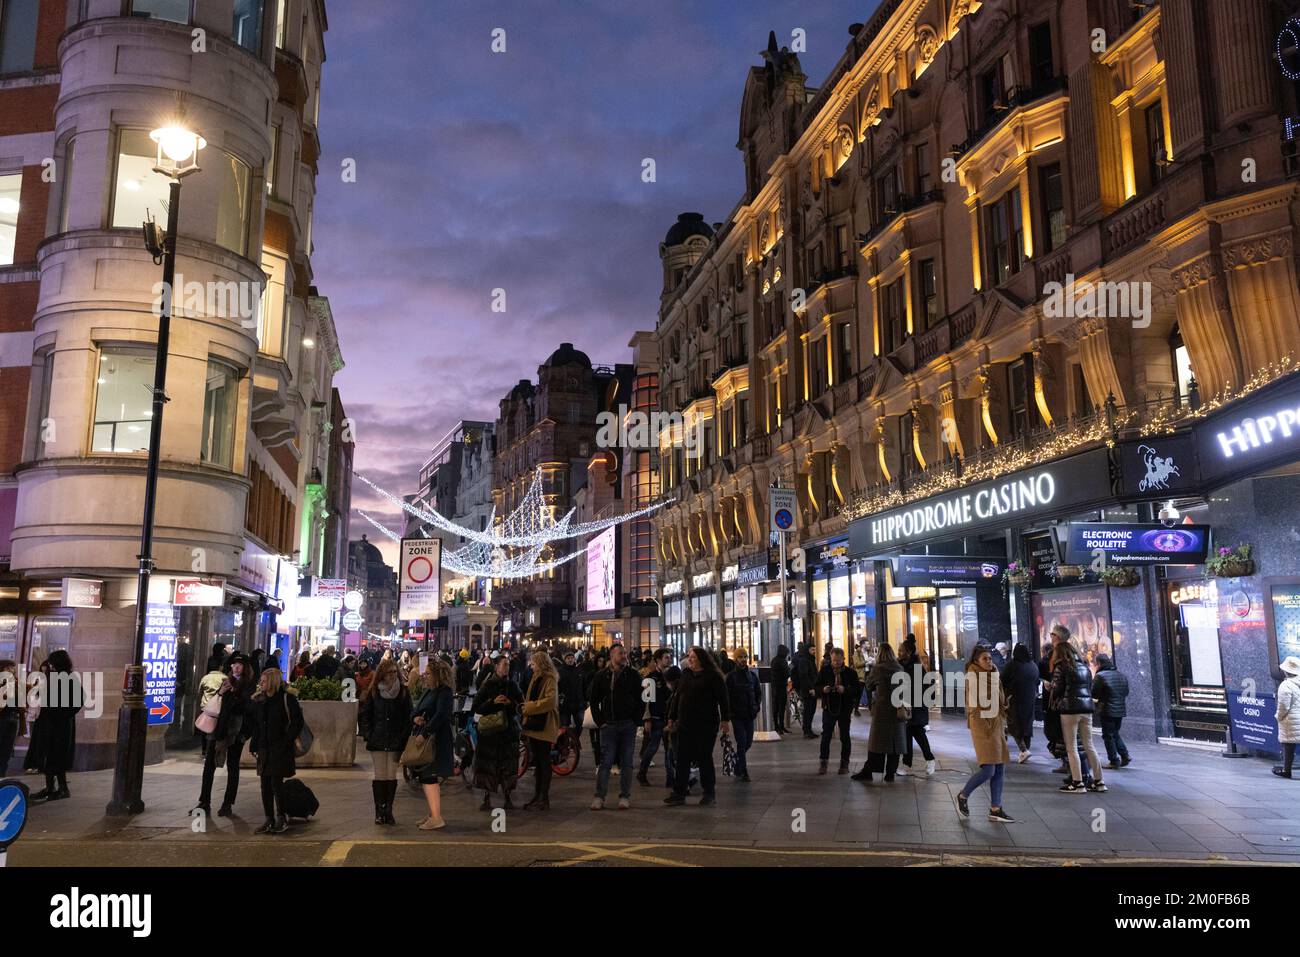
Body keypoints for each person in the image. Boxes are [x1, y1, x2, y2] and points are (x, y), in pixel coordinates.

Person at [954, 644, 1015, 823]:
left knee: (1000, 767)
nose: (989, 661)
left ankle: (995, 809)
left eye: (990, 658)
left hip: (996, 723)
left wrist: (1004, 704)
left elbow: (998, 697)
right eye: (985, 659)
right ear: (976, 661)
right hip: (982, 725)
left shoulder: (994, 674)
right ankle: (963, 796)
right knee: (988, 769)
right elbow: (975, 705)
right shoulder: (973, 678)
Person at [664, 646, 731, 807]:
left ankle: (709, 793)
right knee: (682, 759)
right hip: (685, 723)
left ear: (701, 659)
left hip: (706, 725)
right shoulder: (686, 674)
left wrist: (725, 720)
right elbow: (677, 696)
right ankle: (679, 792)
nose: (690, 659)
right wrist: (672, 717)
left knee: (704, 758)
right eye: (689, 657)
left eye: (693, 657)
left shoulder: (713, 676)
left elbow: (723, 699)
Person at [194, 652, 253, 818]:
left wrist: (234, 693)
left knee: (233, 767)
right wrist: (221, 692)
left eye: (240, 664)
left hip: (237, 730)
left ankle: (227, 804)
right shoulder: (225, 681)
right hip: (219, 729)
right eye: (234, 664)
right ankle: (204, 801)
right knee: (209, 766)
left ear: (245, 667)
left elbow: (248, 708)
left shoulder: (248, 685)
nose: (236, 667)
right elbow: (217, 704)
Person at [248, 663, 304, 834]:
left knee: (276, 783)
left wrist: (286, 741)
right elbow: (257, 725)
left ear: (272, 682)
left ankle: (281, 817)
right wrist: (254, 744)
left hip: (280, 747)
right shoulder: (260, 700)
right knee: (265, 784)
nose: (261, 684)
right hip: (265, 747)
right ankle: (269, 818)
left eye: (264, 681)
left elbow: (297, 722)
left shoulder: (287, 699)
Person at [358, 657, 412, 826]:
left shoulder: (403, 692)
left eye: (395, 672)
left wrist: (404, 736)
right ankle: (379, 811)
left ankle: (388, 811)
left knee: (391, 775)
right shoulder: (374, 691)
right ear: (382, 674)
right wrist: (369, 734)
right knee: (380, 775)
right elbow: (366, 715)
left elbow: (407, 716)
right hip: (379, 738)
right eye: (390, 672)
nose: (393, 675)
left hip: (396, 739)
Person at [589, 643, 642, 810]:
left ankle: (625, 796)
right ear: (612, 656)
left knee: (627, 762)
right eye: (621, 653)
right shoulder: (602, 676)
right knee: (606, 762)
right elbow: (593, 699)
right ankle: (599, 797)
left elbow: (641, 700)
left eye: (625, 653)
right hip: (608, 725)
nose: (624, 656)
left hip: (627, 724)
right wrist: (600, 721)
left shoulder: (632, 675)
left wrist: (636, 720)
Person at [1050, 640, 1106, 793]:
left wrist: (1052, 689)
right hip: (1087, 709)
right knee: (1089, 745)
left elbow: (1058, 688)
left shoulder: (1062, 667)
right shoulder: (1084, 667)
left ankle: (1077, 782)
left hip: (1069, 710)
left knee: (1071, 747)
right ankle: (1099, 781)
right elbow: (1089, 687)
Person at [26, 651, 83, 801]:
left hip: (60, 726)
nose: (50, 665)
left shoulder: (69, 678)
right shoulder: (53, 677)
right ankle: (50, 787)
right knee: (47, 755)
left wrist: (61, 713)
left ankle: (63, 788)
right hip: (46, 723)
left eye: (52, 663)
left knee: (57, 756)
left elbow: (78, 701)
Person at [471, 653, 523, 811]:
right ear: (496, 666)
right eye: (504, 664)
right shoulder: (488, 685)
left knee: (507, 766)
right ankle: (487, 798)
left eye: (508, 664)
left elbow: (521, 706)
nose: (507, 667)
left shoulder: (512, 685)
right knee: (488, 766)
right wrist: (492, 702)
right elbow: (476, 707)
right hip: (490, 734)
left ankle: (508, 797)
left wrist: (510, 703)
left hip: (508, 732)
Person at [851, 642, 905, 783]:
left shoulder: (878, 669)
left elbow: (868, 685)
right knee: (895, 743)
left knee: (877, 744)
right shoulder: (900, 668)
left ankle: (869, 771)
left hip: (882, 709)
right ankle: (890, 773)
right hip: (897, 709)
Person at [411, 658, 454, 829]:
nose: (425, 676)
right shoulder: (430, 691)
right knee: (425, 776)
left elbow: (441, 715)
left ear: (438, 675)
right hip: (426, 736)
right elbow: (416, 710)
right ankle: (432, 813)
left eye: (428, 673)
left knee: (430, 776)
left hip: (436, 740)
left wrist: (426, 731)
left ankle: (436, 817)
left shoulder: (444, 692)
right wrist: (416, 717)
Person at [521, 649, 560, 810]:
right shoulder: (536, 677)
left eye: (534, 662)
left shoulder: (549, 679)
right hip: (534, 725)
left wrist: (528, 707)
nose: (531, 665)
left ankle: (543, 798)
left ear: (540, 664)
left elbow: (550, 702)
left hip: (545, 724)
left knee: (544, 762)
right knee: (538, 762)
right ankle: (537, 796)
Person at [816, 647, 862, 775]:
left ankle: (844, 763)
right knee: (826, 735)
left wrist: (845, 690)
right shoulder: (825, 671)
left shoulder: (851, 673)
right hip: (829, 706)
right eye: (833, 660)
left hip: (844, 708)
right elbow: (817, 686)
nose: (835, 663)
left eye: (838, 660)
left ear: (843, 659)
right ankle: (823, 762)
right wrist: (823, 689)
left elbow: (857, 691)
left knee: (845, 736)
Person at [897, 636, 936, 776]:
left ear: (908, 652)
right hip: (907, 705)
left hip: (917, 705)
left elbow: (926, 686)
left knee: (917, 733)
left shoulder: (916, 667)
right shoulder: (901, 665)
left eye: (901, 650)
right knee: (909, 733)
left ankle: (929, 759)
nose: (899, 652)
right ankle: (908, 764)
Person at [724, 649, 761, 782]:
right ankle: (744, 771)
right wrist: (727, 715)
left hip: (749, 714)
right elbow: (726, 697)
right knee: (742, 742)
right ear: (735, 659)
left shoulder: (752, 676)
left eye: (745, 656)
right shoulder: (731, 677)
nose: (743, 659)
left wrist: (756, 707)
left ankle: (738, 763)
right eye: (740, 657)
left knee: (748, 742)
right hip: (737, 715)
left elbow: (758, 693)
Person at [638, 648, 672, 786]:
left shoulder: (672, 676)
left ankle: (671, 778)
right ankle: (642, 773)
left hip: (669, 718)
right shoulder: (650, 678)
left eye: (669, 657)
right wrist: (647, 719)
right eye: (666, 657)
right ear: (658, 660)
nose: (668, 659)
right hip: (656, 718)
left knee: (670, 750)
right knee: (652, 748)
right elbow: (645, 701)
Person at [1001, 644, 1039, 763]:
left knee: (1014, 725)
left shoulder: (1012, 665)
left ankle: (1023, 750)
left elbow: (1002, 680)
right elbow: (1037, 682)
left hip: (1014, 699)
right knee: (1027, 725)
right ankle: (1025, 749)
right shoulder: (1033, 665)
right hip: (1029, 699)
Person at [1092, 653, 1131, 770]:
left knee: (1108, 735)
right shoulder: (1121, 675)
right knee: (1114, 733)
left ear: (1098, 663)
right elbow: (1126, 692)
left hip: (1107, 709)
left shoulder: (1100, 676)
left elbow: (1094, 693)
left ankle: (1114, 760)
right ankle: (1124, 755)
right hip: (1120, 709)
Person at [1274, 656, 1300, 778]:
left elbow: (1284, 706)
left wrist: (1278, 716)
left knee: (1289, 746)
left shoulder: (1286, 685)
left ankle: (1286, 770)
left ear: (1286, 671)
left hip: (1291, 720)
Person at [791, 642, 819, 739]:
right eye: (812, 649)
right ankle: (806, 730)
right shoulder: (804, 660)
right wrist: (810, 688)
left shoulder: (810, 659)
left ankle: (809, 729)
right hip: (808, 690)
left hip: (813, 689)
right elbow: (804, 676)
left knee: (812, 710)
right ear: (807, 650)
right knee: (808, 710)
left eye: (814, 649)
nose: (814, 651)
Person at [0, 659, 22, 777]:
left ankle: (1, 776)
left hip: (13, 719)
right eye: (8, 668)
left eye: (12, 668)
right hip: (2, 718)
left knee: (7, 751)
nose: (11, 670)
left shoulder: (16, 684)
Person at [770, 645, 791, 734]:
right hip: (781, 686)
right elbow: (787, 673)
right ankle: (780, 726)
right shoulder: (782, 661)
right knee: (781, 706)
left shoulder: (774, 660)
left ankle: (777, 726)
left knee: (776, 706)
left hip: (775, 685)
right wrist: (790, 670)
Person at [849, 642, 868, 717]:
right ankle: (856, 709)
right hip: (860, 676)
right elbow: (856, 664)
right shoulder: (856, 654)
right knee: (858, 694)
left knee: (866, 694)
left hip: (866, 676)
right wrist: (866, 662)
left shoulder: (865, 653)